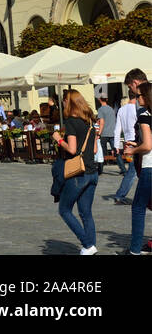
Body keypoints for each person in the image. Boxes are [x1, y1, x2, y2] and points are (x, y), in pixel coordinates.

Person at [52, 89, 100, 254]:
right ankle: (90, 248)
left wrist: (59, 140)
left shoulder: (71, 122)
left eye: (64, 101)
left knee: (65, 210)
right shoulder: (89, 122)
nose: (63, 103)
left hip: (78, 173)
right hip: (92, 172)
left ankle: (87, 244)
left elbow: (72, 149)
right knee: (86, 213)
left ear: (69, 102)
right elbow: (93, 149)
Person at [122, 80, 152, 255]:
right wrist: (138, 142)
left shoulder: (145, 115)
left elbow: (148, 146)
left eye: (138, 95)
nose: (136, 98)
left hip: (149, 166)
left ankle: (134, 250)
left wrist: (133, 149)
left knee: (138, 208)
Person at [114, 71, 147, 205]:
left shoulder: (128, 108)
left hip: (138, 146)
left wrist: (117, 145)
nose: (130, 89)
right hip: (137, 144)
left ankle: (120, 194)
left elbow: (118, 129)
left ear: (135, 83)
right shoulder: (137, 105)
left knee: (133, 172)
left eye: (129, 86)